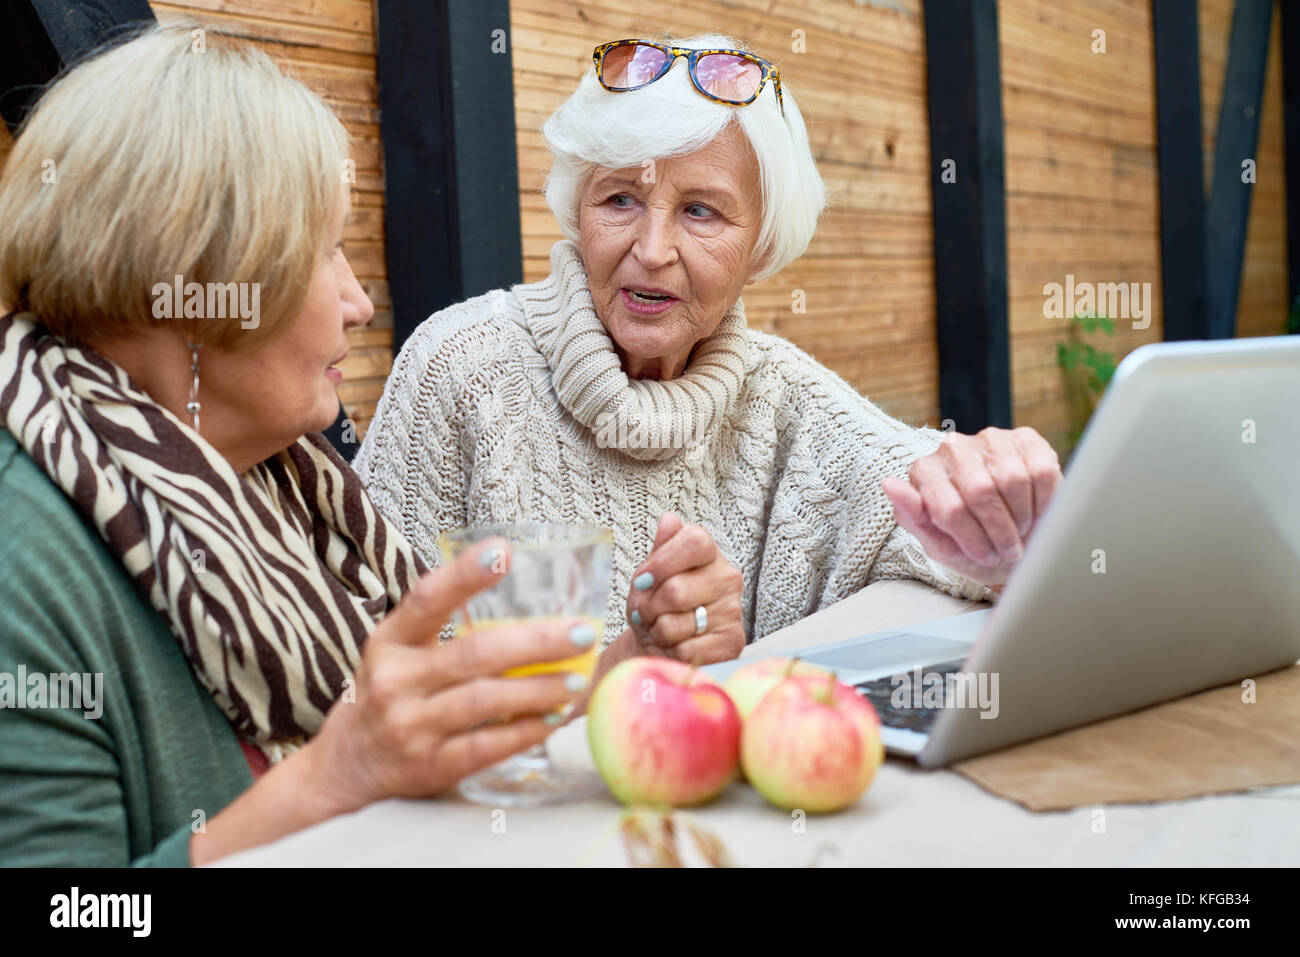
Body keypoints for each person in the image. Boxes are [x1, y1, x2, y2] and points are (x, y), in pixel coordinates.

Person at [0, 24, 596, 866]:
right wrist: (336, 773)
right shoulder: (23, 562)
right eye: (325, 251)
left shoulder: (293, 489)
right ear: (199, 279)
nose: (357, 300)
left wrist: (627, 663)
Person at [355, 35, 1064, 673]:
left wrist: (992, 494)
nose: (652, 250)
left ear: (759, 248)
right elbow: (361, 661)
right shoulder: (461, 364)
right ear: (578, 211)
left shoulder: (782, 397)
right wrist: (624, 663)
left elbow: (949, 535)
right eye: (621, 199)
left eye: (701, 211)